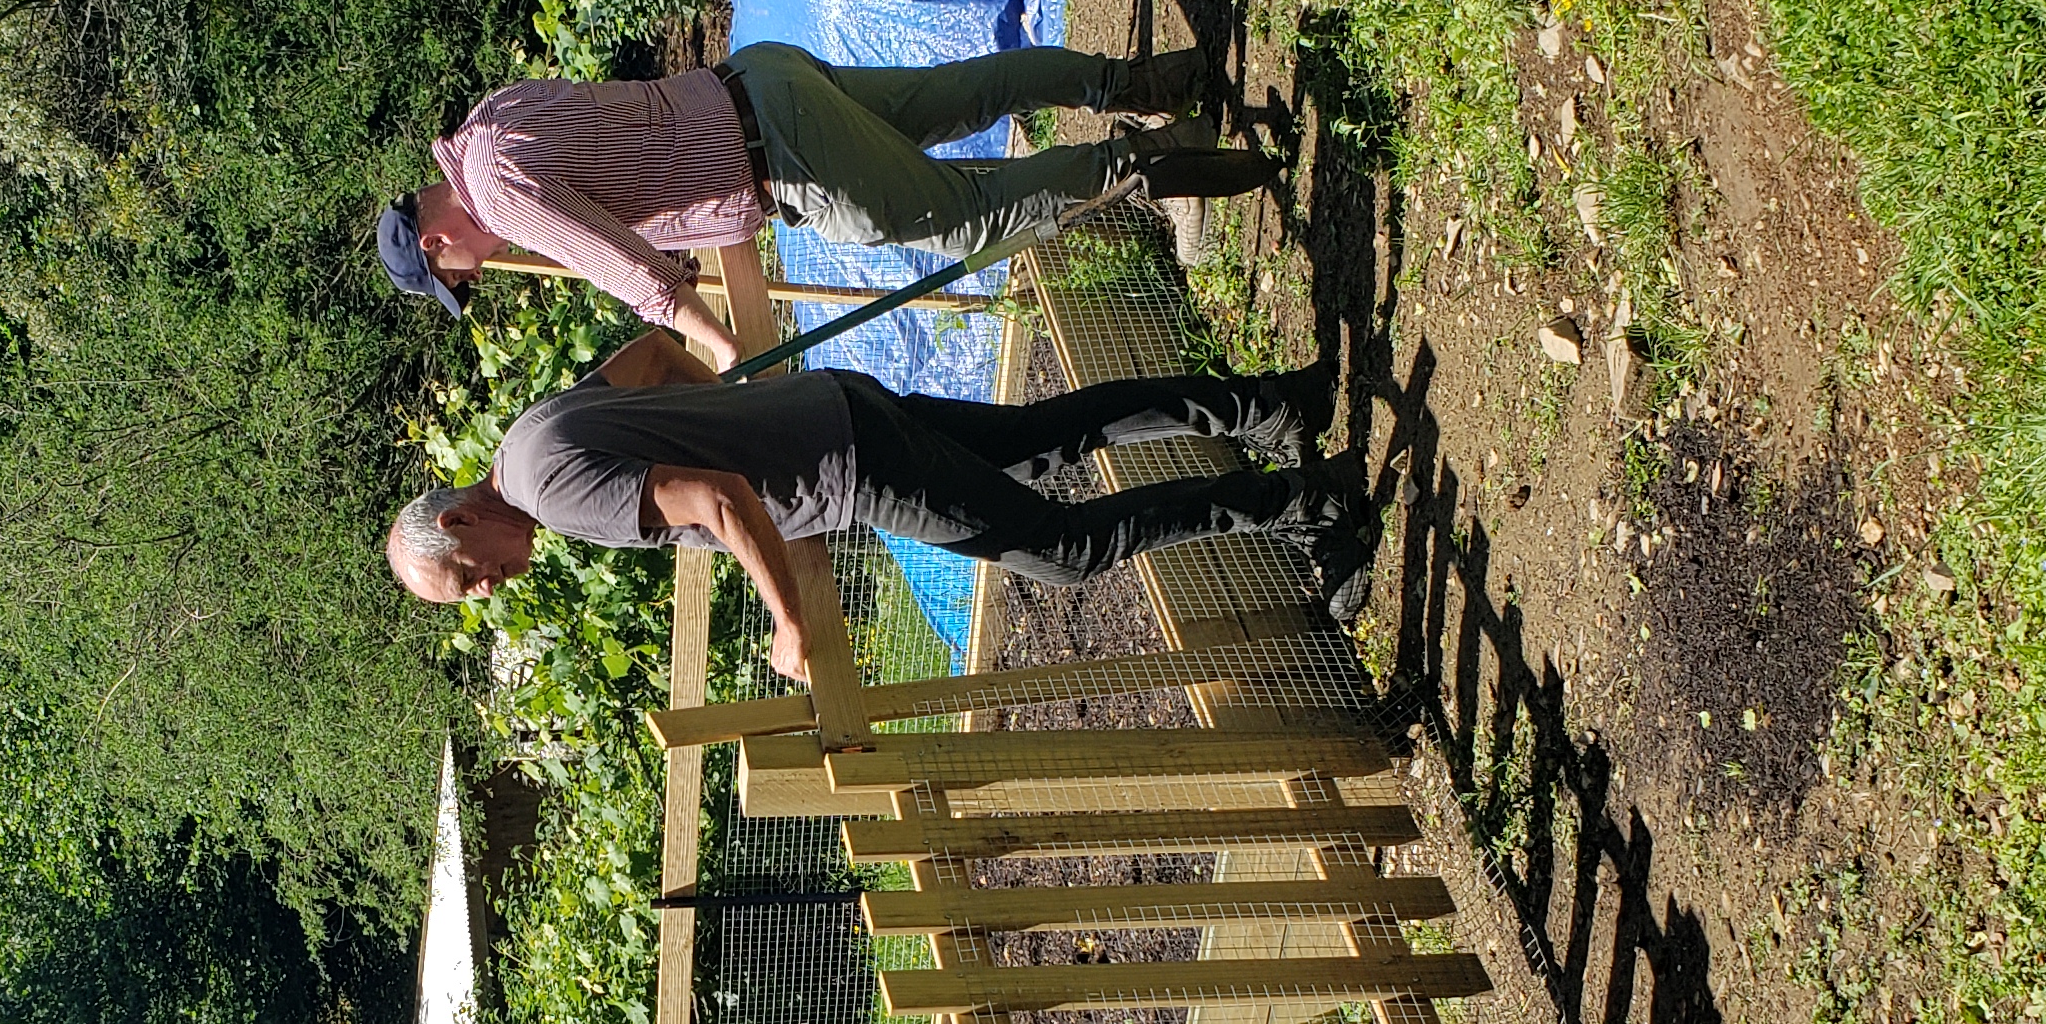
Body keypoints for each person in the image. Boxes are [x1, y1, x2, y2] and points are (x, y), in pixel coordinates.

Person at [383, 331, 1365, 685]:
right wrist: (736, 416)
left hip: (849, 467)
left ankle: (1304, 503)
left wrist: (787, 619)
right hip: (834, 406)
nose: (490, 589)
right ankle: (1271, 407)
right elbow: (649, 358)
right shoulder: (527, 439)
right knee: (1045, 435)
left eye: (469, 579)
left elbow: (719, 499)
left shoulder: (556, 497)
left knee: (1066, 551)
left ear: (459, 522)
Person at [375, 43, 1279, 370]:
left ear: (438, 240)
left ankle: (1148, 160)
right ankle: (1145, 82)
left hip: (784, 158)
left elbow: (632, 274)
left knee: (963, 218)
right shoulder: (492, 118)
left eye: (460, 276)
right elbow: (635, 155)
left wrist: (723, 348)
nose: (479, 273)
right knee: (954, 96)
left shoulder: (500, 195)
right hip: (760, 80)